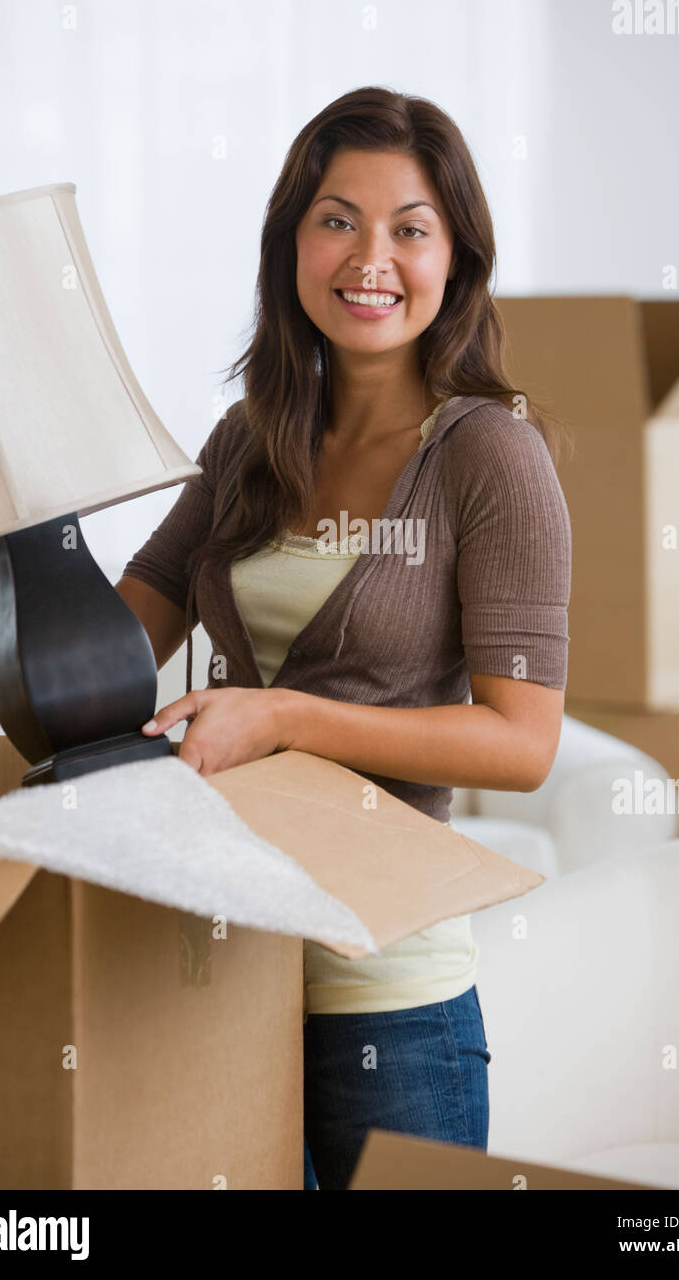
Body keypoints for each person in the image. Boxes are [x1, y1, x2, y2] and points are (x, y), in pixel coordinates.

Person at [117, 85, 572, 1190]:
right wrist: (26, 533)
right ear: (290, 244)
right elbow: (121, 637)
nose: (370, 256)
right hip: (215, 975)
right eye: (336, 218)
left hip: (385, 995)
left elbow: (521, 743)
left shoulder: (488, 454)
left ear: (454, 256)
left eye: (408, 227)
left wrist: (279, 718)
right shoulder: (247, 441)